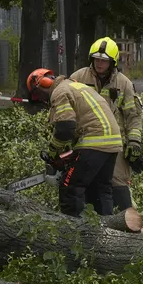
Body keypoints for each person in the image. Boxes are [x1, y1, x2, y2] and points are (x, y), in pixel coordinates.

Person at [26, 68, 123, 217]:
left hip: (94, 141)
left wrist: (53, 152)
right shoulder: (76, 86)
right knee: (100, 189)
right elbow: (78, 126)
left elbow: (65, 129)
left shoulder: (59, 92)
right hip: (112, 141)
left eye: (37, 94)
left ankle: (73, 234)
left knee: (70, 187)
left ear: (43, 83)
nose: (41, 100)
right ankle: (107, 233)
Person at [70, 37, 143, 213]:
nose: (99, 63)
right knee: (84, 181)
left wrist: (134, 142)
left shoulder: (123, 83)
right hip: (85, 141)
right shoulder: (78, 78)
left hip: (114, 142)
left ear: (112, 62)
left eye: (104, 60)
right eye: (96, 59)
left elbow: (133, 116)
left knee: (117, 181)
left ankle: (124, 227)